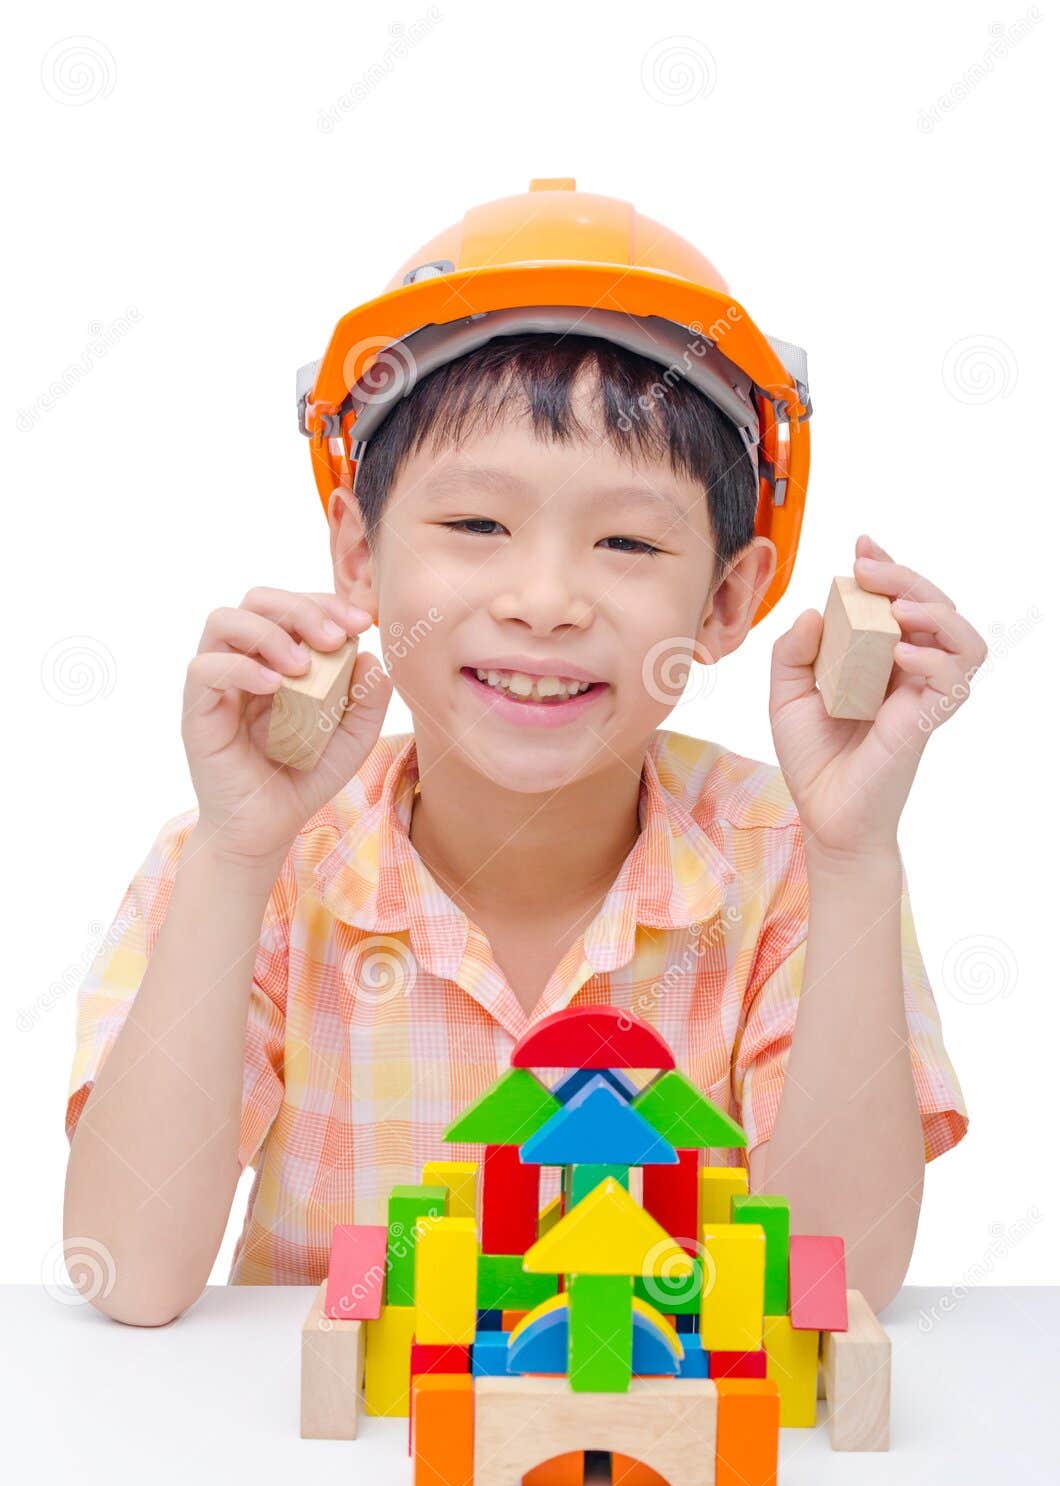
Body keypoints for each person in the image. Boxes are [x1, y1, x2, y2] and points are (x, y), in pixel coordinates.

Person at [63, 181, 984, 1326]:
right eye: (476, 526)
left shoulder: (794, 863)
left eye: (627, 540)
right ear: (357, 552)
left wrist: (855, 858)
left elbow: (828, 1288)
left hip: (644, 1474)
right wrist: (237, 856)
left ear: (728, 595)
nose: (544, 601)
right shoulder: (253, 858)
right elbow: (129, 1276)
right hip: (313, 1484)